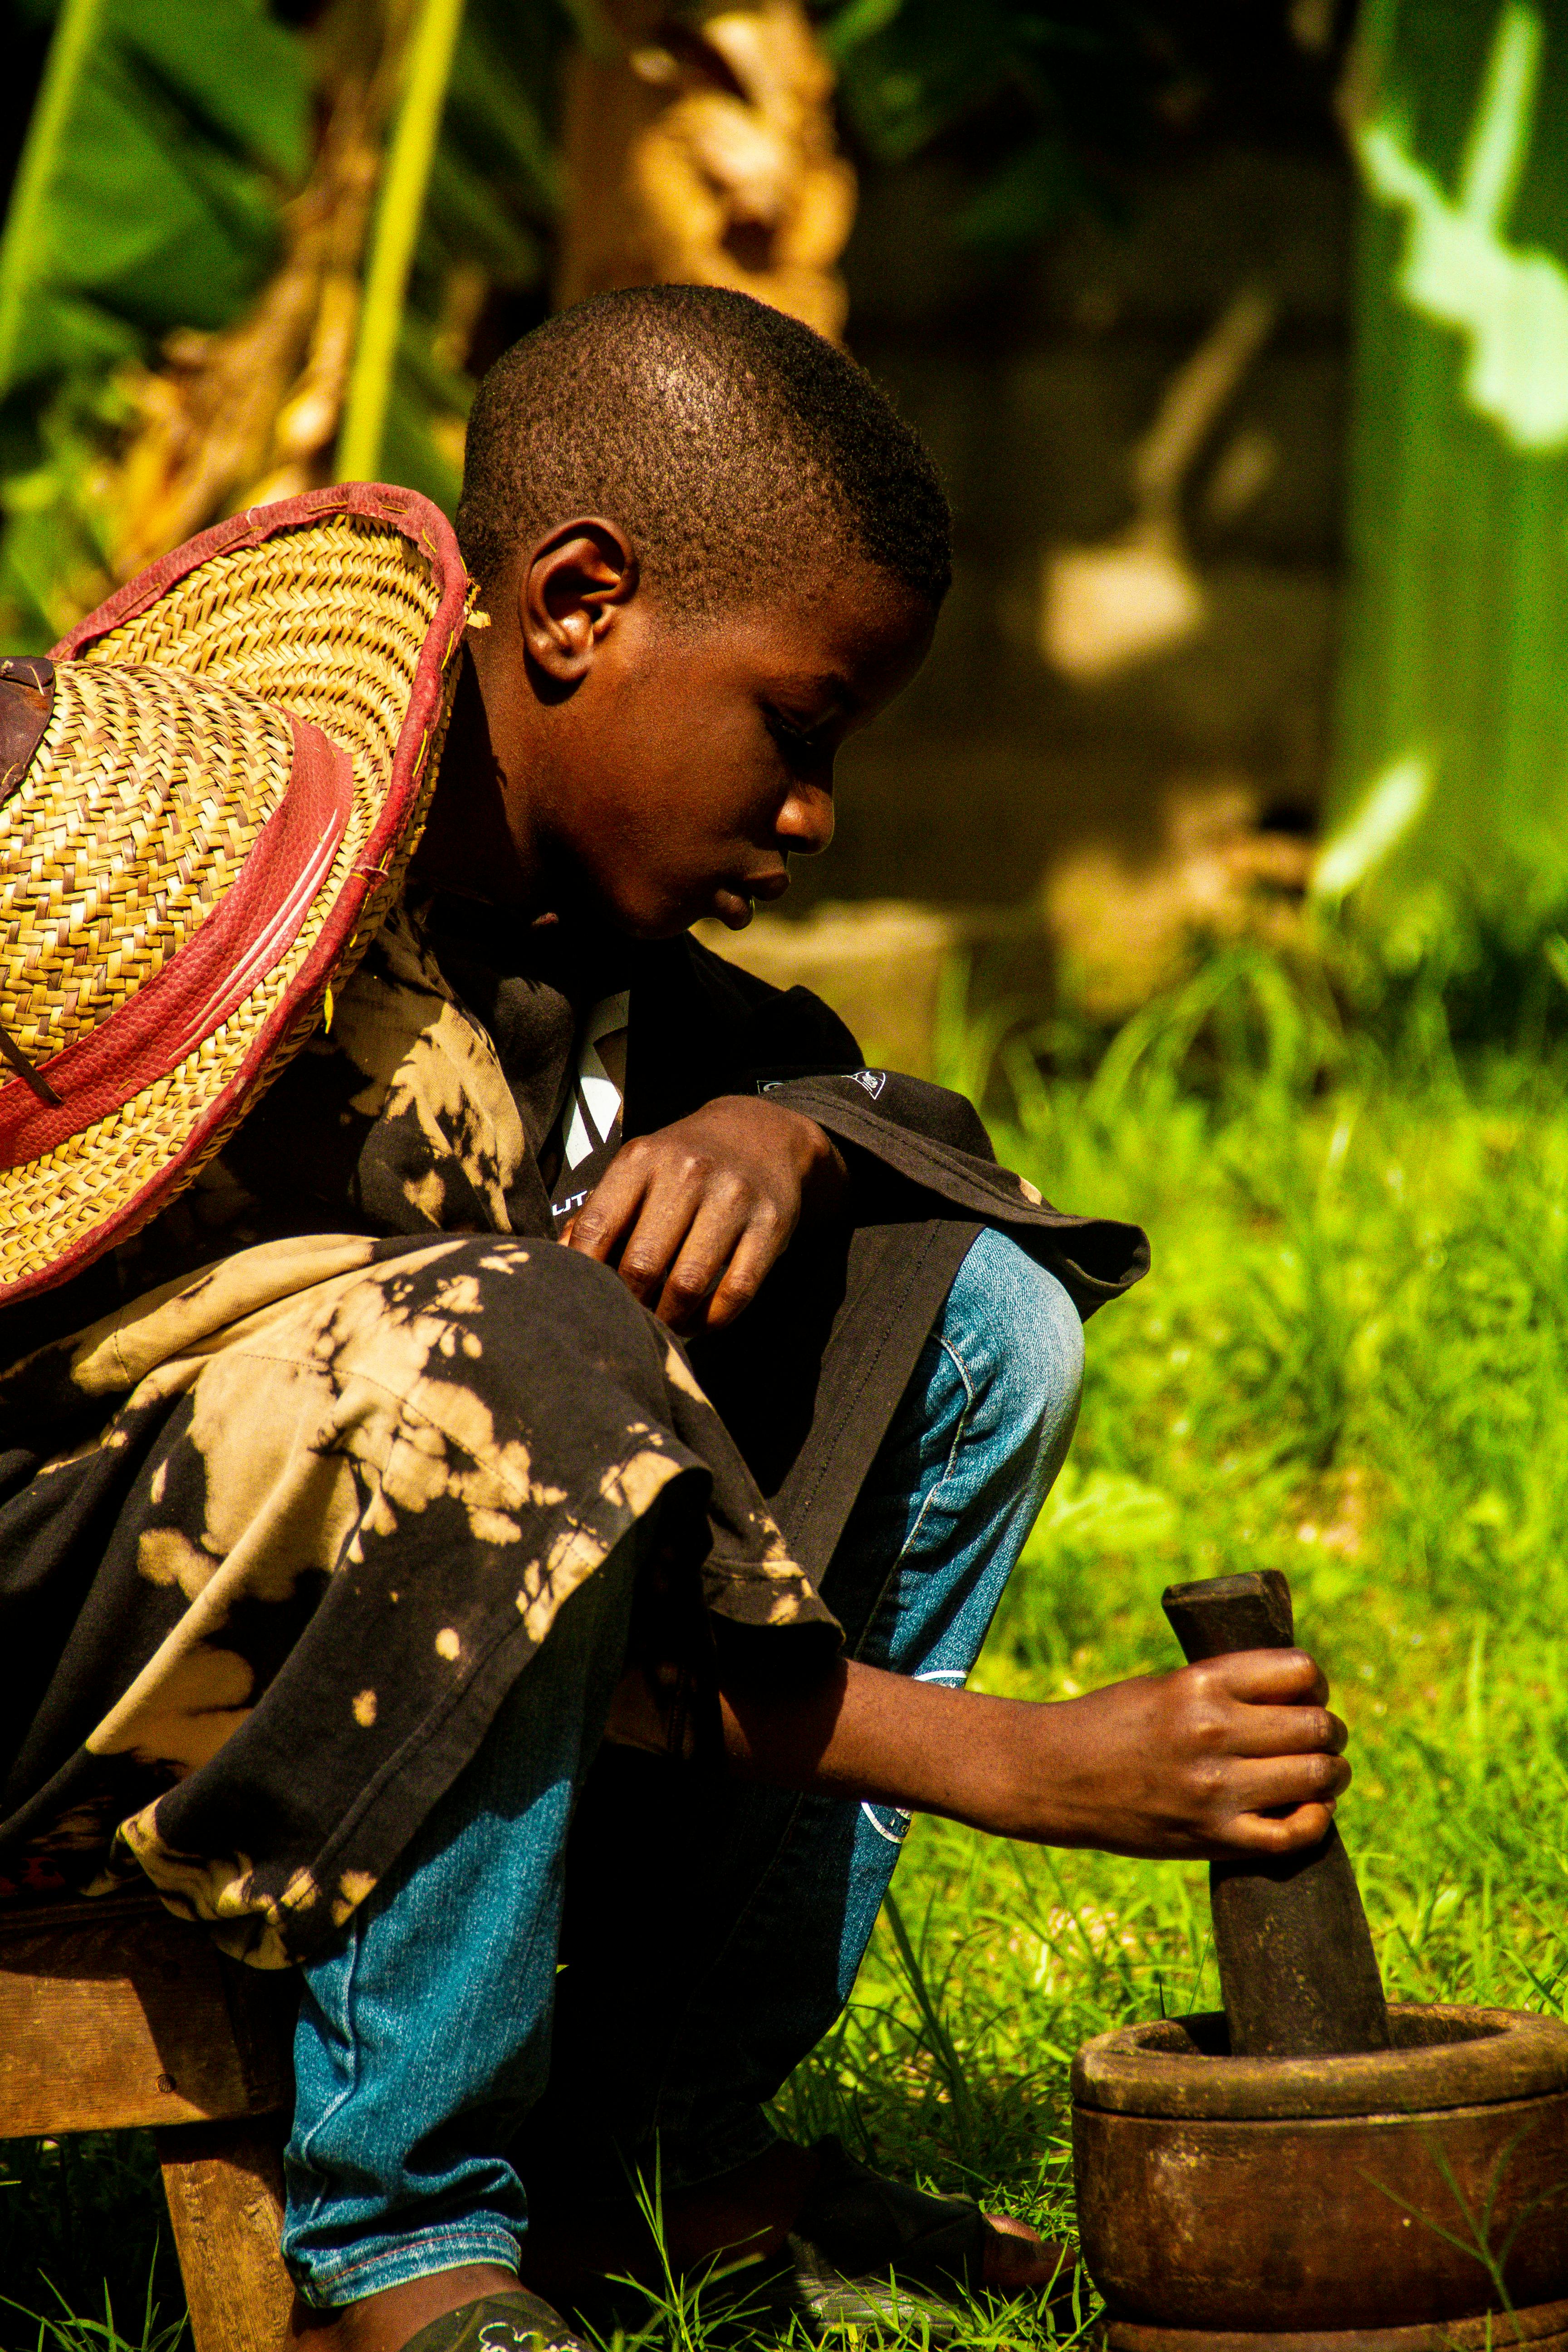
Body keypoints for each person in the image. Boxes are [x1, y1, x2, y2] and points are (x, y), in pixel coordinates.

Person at [0, 287, 1349, 2352]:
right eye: (798, 729)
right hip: (52, 1657)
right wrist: (1011, 1760)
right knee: (527, 1347)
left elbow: (923, 1139)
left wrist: (790, 1136)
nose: (816, 816)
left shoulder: (545, 910)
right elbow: (494, 1518)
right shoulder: (213, 951)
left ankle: (662, 2144)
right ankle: (406, 2244)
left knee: (969, 1310)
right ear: (577, 605)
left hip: (329, 1580)